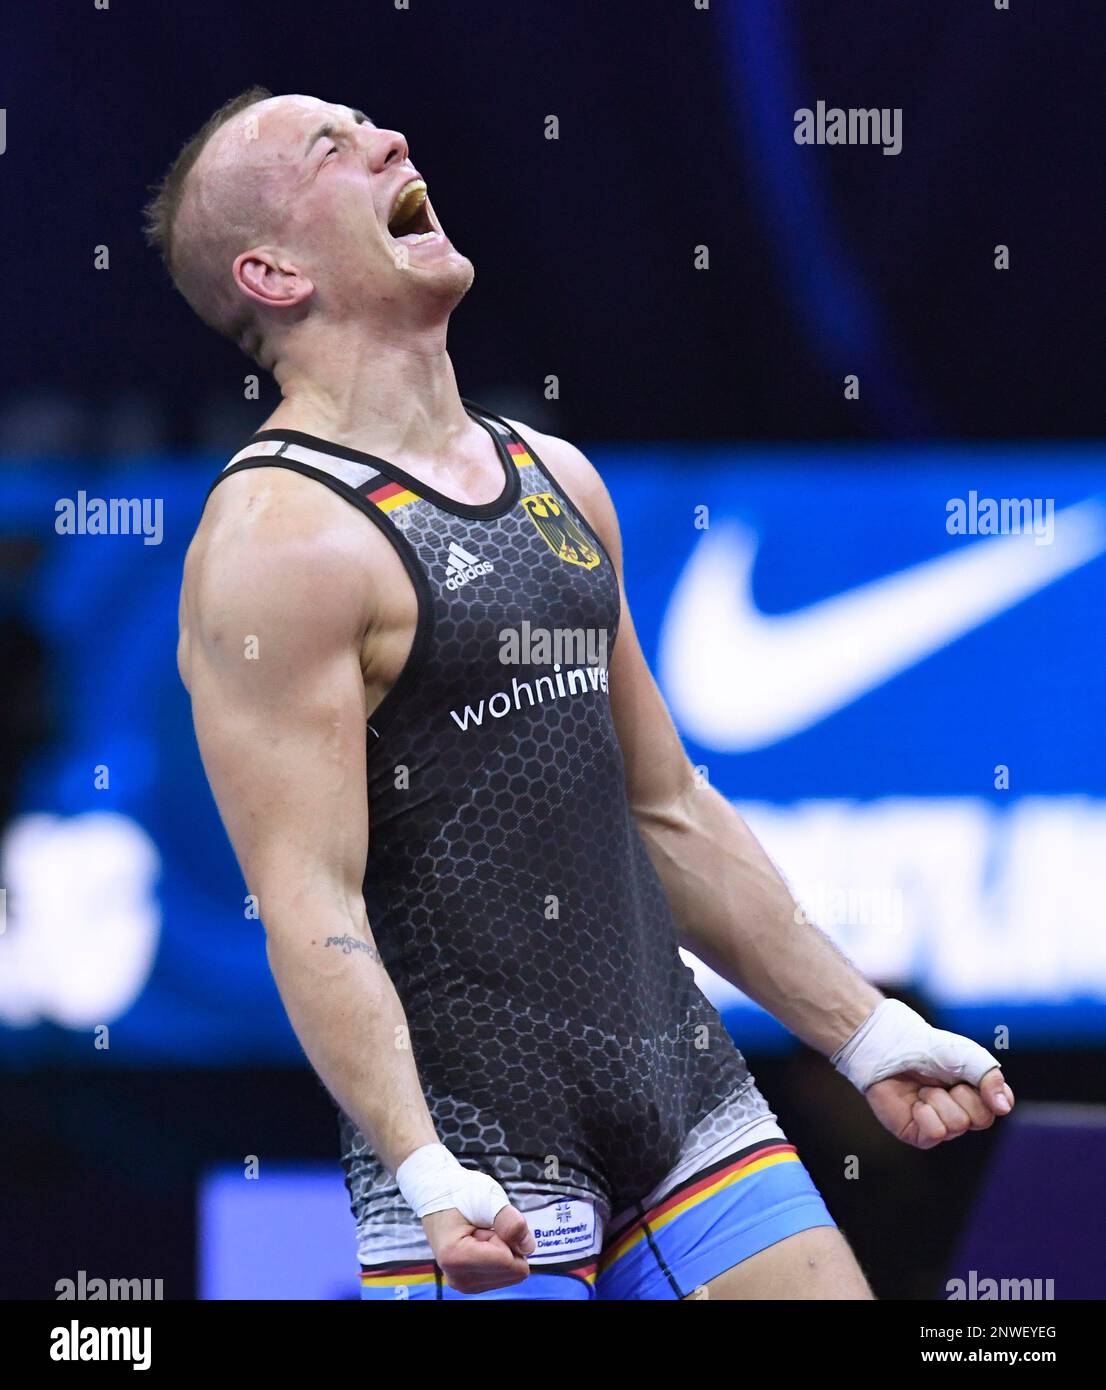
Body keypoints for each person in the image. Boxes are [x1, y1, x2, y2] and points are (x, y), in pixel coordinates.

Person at [147, 88, 1014, 1300]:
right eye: (330, 150)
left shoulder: (554, 479)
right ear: (274, 272)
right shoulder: (276, 541)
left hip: (689, 1106)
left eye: (374, 124)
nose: (392, 138)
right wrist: (420, 1160)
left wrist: (859, 1026)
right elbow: (309, 899)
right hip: (477, 1166)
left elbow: (665, 811)